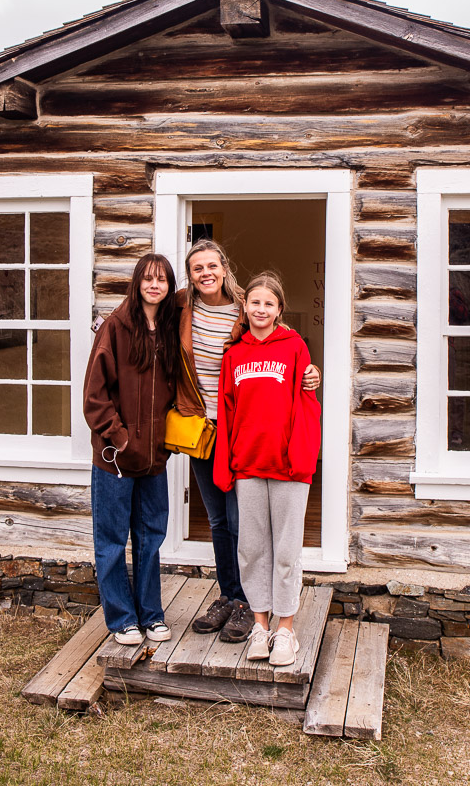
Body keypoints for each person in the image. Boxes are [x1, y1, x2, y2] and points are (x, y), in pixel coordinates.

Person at [175, 240, 320, 643]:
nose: (205, 273)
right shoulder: (181, 308)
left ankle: (249, 607)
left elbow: (276, 331)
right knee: (219, 520)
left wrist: (309, 371)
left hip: (249, 431)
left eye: (212, 265)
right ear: (191, 275)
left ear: (225, 268)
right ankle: (230, 596)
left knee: (246, 524)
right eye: (197, 267)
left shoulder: (245, 306)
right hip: (203, 426)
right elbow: (143, 310)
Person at [214, 272, 322, 667]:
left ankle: (286, 631)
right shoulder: (234, 355)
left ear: (279, 310)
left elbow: (308, 407)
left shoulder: (294, 348)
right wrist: (227, 465)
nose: (260, 309)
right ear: (246, 306)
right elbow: (226, 414)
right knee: (252, 549)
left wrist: (303, 459)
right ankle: (260, 625)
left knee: (287, 552)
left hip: (289, 467)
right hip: (248, 465)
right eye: (254, 302)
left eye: (268, 304)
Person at [83, 254, 179, 645]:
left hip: (154, 458)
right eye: (148, 279)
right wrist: (120, 438)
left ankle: (150, 615)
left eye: (163, 280)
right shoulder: (114, 328)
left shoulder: (172, 328)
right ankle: (122, 619)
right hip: (115, 459)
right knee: (110, 541)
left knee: (150, 538)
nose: (155, 286)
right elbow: (94, 397)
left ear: (170, 286)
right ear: (137, 282)